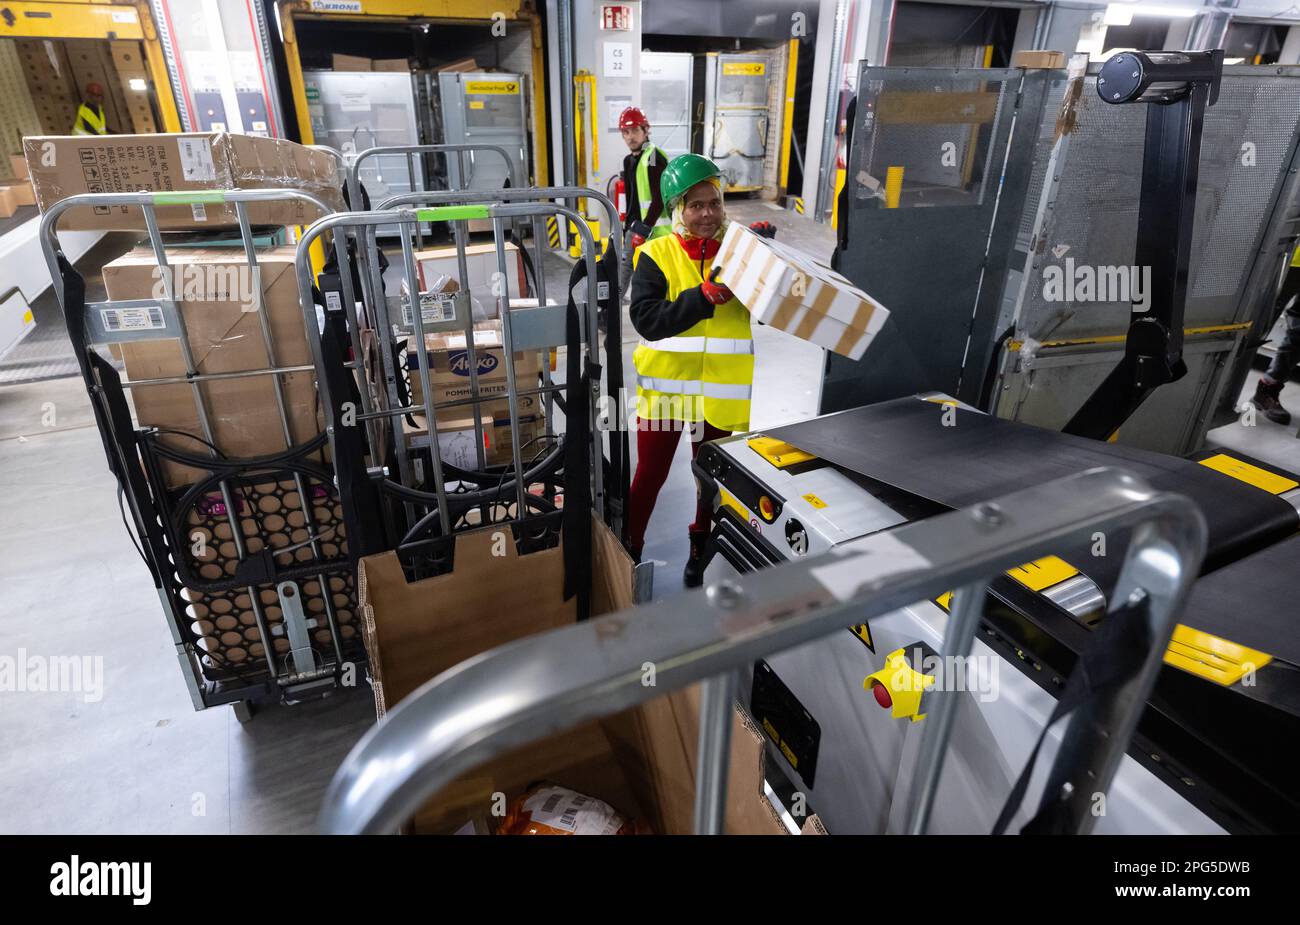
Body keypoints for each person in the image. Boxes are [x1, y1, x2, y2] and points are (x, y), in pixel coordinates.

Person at [623, 152, 776, 586]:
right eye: (696, 205)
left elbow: (769, 311)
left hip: (722, 392)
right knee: (648, 476)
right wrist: (703, 296)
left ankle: (699, 545)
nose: (707, 214)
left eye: (715, 203)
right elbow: (648, 319)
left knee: (708, 480)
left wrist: (767, 260)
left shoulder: (741, 251)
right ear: (678, 210)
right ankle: (630, 549)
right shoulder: (656, 253)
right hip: (667, 391)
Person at [1251, 245, 1300, 425]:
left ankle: (1267, 391)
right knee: (1255, 325)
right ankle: (1217, 392)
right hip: (1288, 254)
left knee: (1299, 334)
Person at [618, 106, 670, 250]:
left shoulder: (652, 156)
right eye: (626, 132)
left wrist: (644, 227)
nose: (630, 137)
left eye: (635, 130)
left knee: (627, 271)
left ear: (646, 130)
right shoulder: (629, 161)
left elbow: (660, 197)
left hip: (652, 232)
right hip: (633, 228)